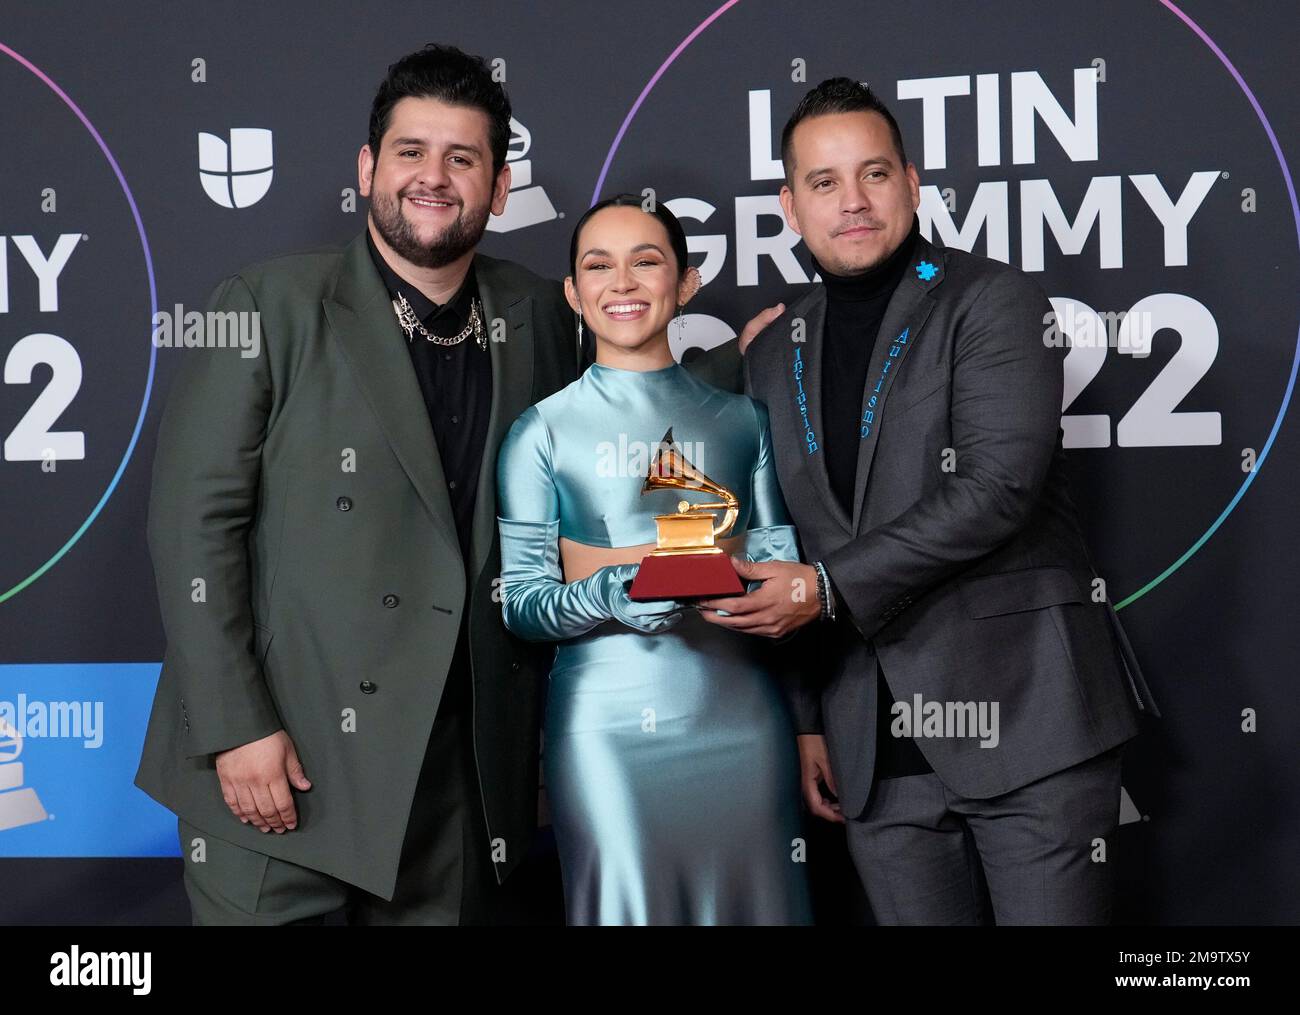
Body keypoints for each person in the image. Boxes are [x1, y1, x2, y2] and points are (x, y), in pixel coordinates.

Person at [134, 44, 585, 924]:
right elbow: (192, 527)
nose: (434, 177)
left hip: (455, 783)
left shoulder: (537, 314)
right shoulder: (266, 304)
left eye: (464, 158)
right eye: (411, 152)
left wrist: (741, 360)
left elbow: (629, 414)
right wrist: (235, 727)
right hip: (280, 767)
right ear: (368, 168)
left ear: (498, 188)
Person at [696, 78, 1159, 925]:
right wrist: (807, 718)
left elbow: (996, 488)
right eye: (824, 183)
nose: (853, 201)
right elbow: (783, 537)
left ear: (912, 184)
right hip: (873, 753)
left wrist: (826, 588)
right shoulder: (771, 353)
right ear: (789, 207)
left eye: (874, 174)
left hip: (1028, 727)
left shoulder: (994, 301)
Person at [494, 194, 813, 925]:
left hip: (742, 721)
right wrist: (608, 590)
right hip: (604, 732)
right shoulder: (540, 432)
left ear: (687, 282)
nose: (623, 282)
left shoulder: (743, 419)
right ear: (573, 293)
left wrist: (764, 594)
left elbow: (778, 568)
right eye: (597, 266)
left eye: (647, 261)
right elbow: (520, 602)